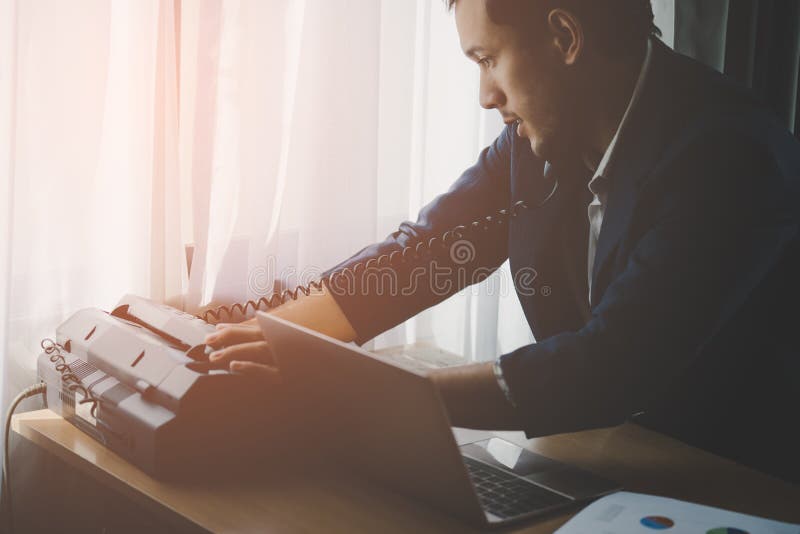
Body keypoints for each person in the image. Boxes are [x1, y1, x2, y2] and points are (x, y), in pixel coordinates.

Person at [204, 0, 800, 483]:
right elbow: (427, 252)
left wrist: (356, 392)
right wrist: (271, 337)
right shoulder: (536, 145)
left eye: (487, 58)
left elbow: (609, 366)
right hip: (610, 466)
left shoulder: (729, 155)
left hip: (738, 491)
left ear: (565, 37)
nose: (485, 95)